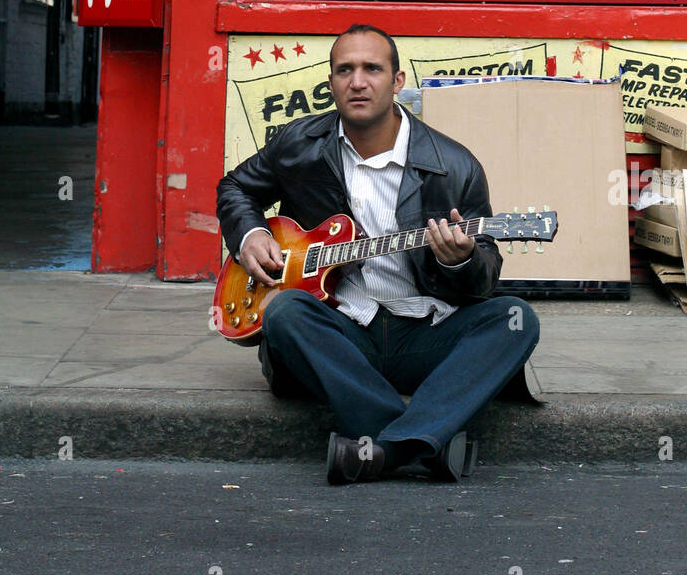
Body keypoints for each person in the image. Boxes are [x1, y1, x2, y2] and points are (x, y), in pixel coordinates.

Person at [215, 24, 540, 484]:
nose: (358, 82)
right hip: (342, 335)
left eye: (372, 69)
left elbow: (485, 280)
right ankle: (424, 439)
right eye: (344, 70)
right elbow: (236, 187)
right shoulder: (299, 145)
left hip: (425, 333)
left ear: (397, 80)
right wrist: (250, 234)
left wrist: (460, 260)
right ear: (331, 83)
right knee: (285, 312)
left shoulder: (455, 166)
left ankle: (385, 449)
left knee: (516, 319)